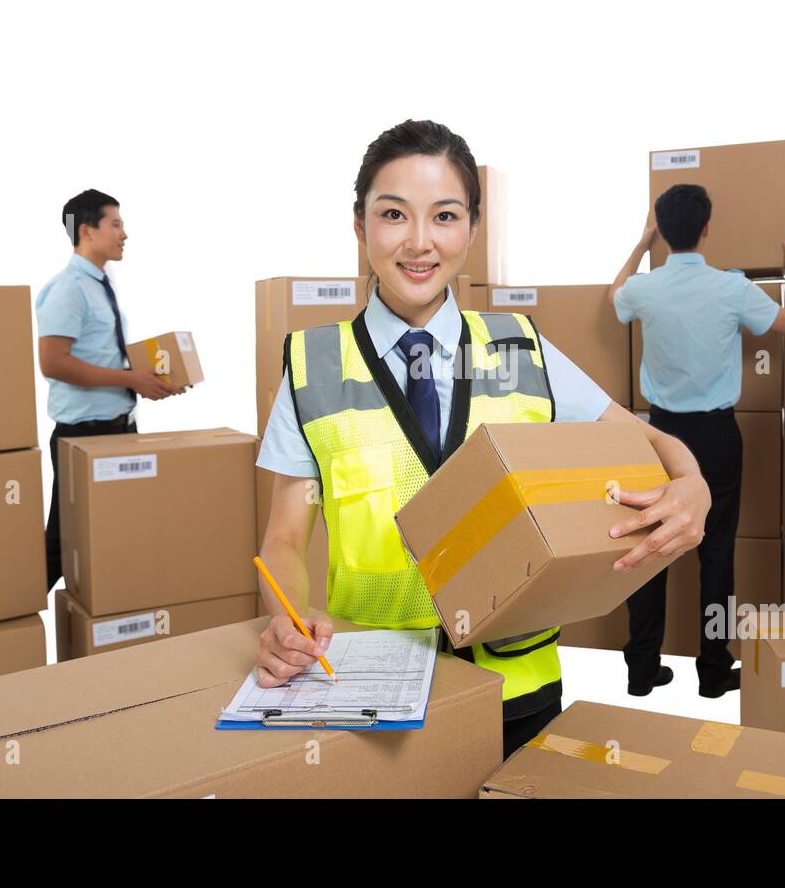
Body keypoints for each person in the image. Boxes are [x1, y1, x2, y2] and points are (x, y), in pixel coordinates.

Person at [254, 119, 711, 756]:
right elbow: (283, 539)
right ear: (360, 226)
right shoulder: (314, 366)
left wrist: (692, 484)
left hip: (516, 693)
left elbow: (652, 440)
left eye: (444, 216)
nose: (419, 242)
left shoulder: (520, 350)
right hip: (375, 695)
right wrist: (286, 614)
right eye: (393, 214)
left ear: (472, 228)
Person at [610, 183, 785, 698]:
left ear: (662, 230)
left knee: (650, 547)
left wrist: (641, 244)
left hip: (657, 436)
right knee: (717, 555)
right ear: (707, 229)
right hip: (715, 435)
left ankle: (641, 671)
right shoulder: (731, 288)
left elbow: (615, 297)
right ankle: (714, 673)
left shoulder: (645, 288)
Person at [35, 189, 176, 592]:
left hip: (117, 430)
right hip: (84, 435)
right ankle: (11, 617)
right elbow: (53, 363)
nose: (124, 234)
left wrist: (148, 378)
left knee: (115, 536)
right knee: (62, 542)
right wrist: (132, 380)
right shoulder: (68, 288)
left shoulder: (99, 284)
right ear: (86, 230)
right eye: (115, 224)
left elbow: (100, 354)